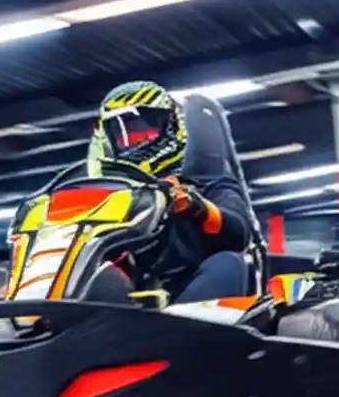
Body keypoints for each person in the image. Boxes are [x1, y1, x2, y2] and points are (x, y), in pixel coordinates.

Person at [91, 80, 254, 303]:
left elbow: (239, 231)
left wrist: (197, 207)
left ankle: (188, 331)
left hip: (188, 286)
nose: (133, 142)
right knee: (97, 271)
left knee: (229, 262)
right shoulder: (111, 193)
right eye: (123, 136)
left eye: (143, 133)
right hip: (132, 291)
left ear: (172, 126)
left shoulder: (205, 178)